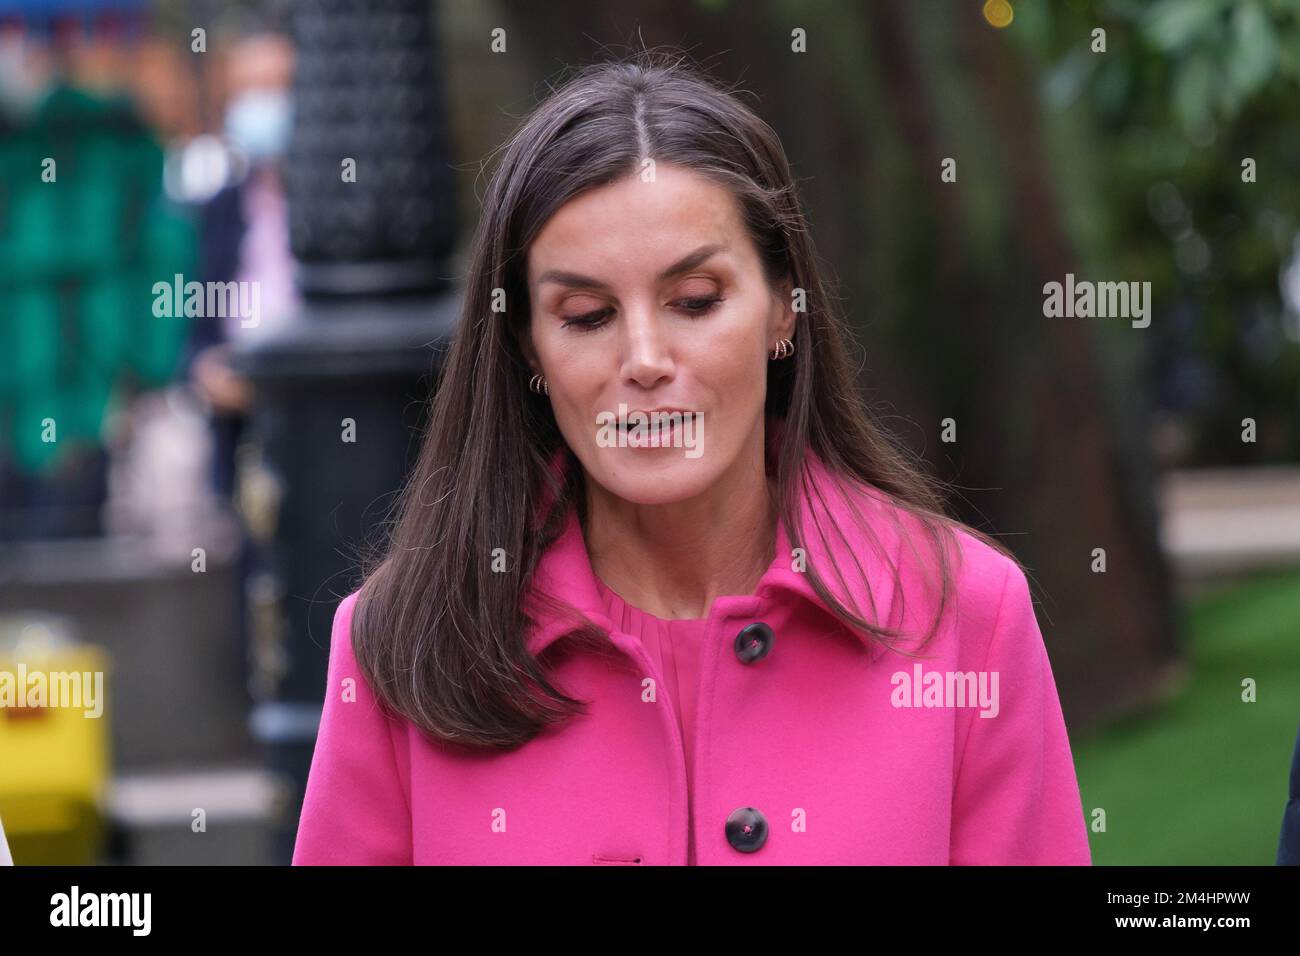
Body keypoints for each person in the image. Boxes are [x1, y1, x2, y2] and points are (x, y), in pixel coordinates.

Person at [292, 53, 1092, 865]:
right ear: (527, 347)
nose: (644, 357)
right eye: (586, 315)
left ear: (785, 307)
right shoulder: (404, 640)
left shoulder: (966, 616)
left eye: (694, 302)